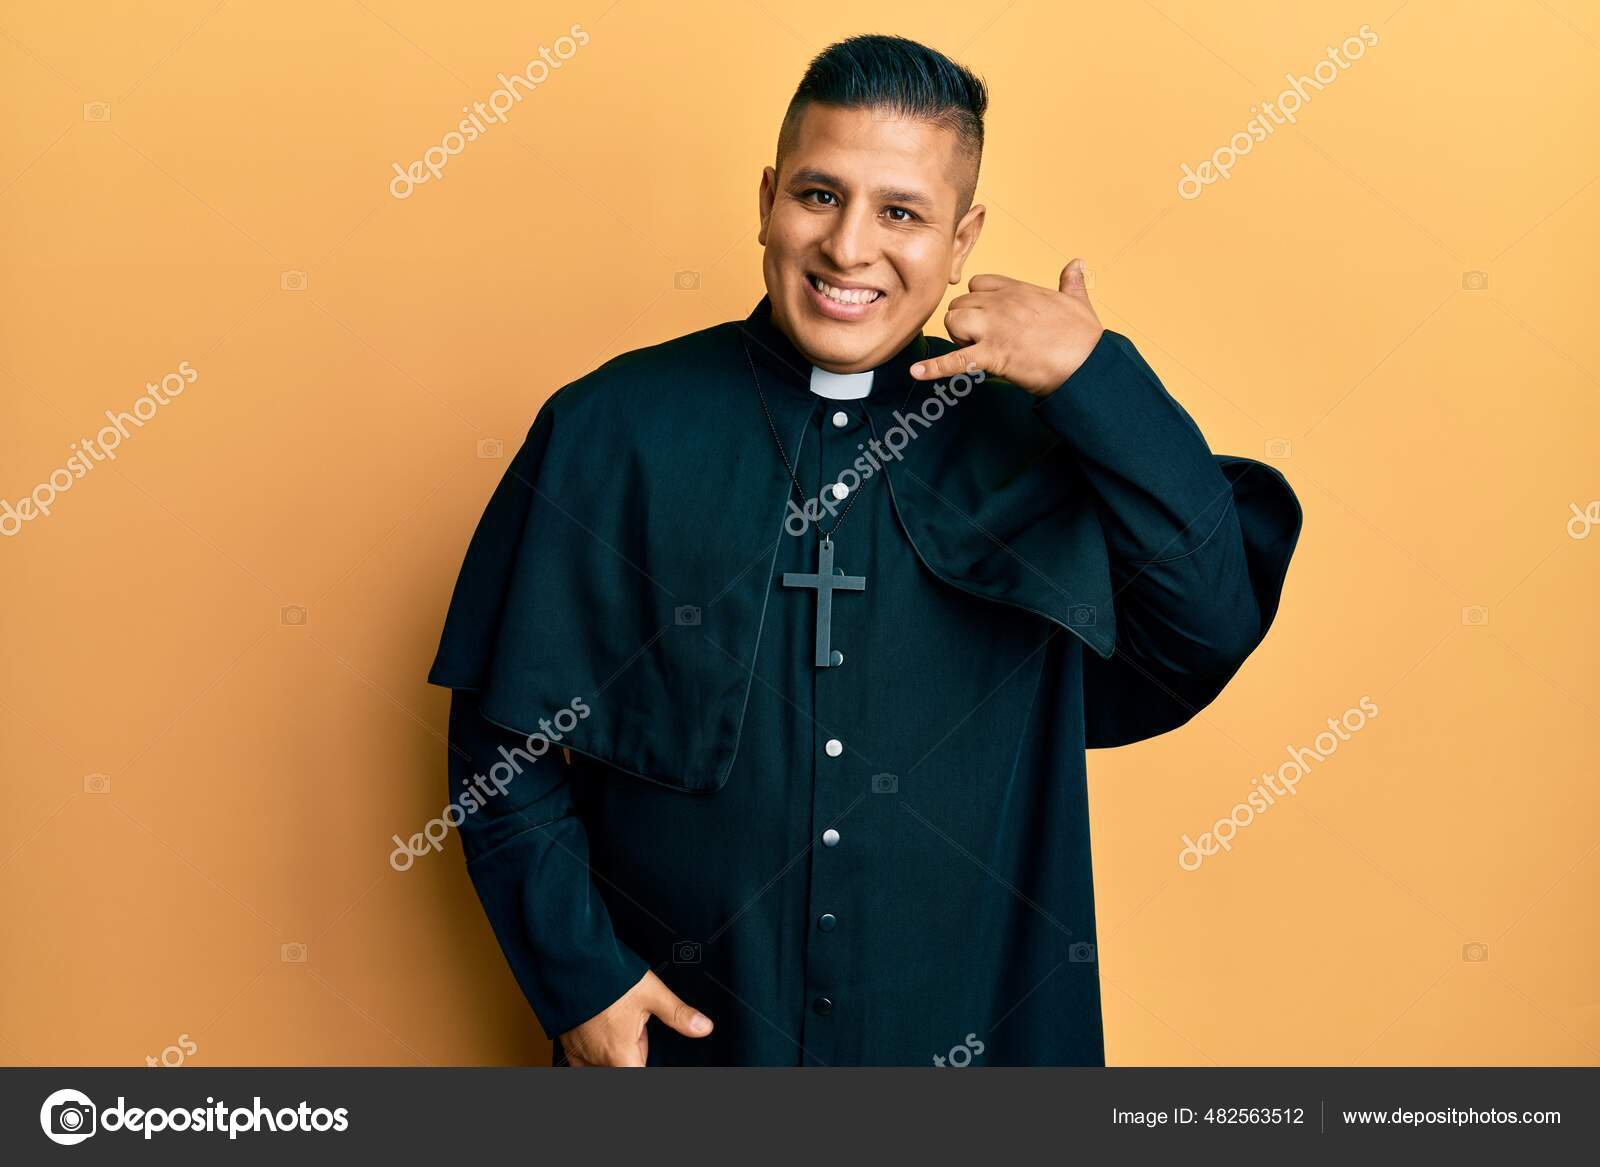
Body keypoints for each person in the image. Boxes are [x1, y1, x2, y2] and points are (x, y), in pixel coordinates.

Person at [428, 33, 1300, 1066]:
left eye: (900, 212)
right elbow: (501, 741)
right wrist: (581, 979)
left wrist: (1095, 378)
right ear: (765, 200)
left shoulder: (1045, 441)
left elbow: (1208, 623)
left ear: (961, 238)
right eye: (816, 195)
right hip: (691, 1051)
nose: (848, 249)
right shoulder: (612, 427)